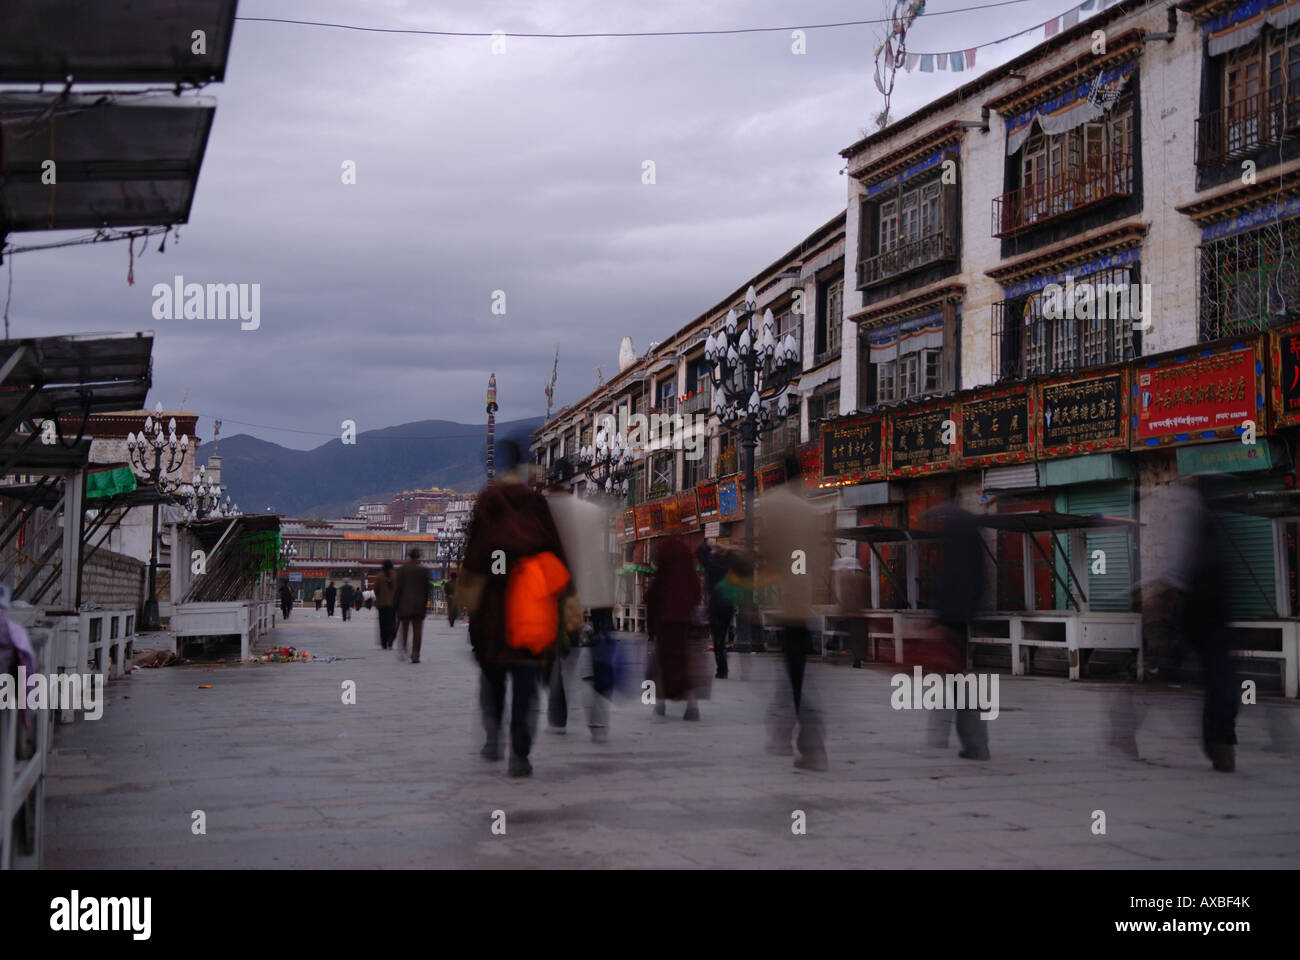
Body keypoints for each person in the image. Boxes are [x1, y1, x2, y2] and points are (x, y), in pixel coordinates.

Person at [455, 438, 570, 777]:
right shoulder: (536, 502)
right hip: (532, 609)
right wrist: (566, 598)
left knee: (492, 676)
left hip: (495, 610)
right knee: (525, 681)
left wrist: (490, 578)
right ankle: (520, 753)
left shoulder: (489, 501)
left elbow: (480, 553)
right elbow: (555, 553)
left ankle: (493, 737)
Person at [758, 454, 828, 770]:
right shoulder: (809, 509)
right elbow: (812, 559)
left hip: (788, 604)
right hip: (804, 605)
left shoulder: (775, 504)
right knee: (794, 674)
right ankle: (789, 739)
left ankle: (808, 745)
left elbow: (769, 552)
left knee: (795, 678)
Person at [547, 487, 617, 740]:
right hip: (597, 599)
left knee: (561, 661)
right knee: (596, 662)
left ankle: (558, 714)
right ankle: (597, 717)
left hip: (565, 599)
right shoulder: (592, 512)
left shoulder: (548, 517)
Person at [925, 501, 991, 761]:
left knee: (954, 679)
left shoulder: (956, 534)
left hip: (953, 616)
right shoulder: (971, 533)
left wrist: (940, 615)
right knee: (955, 678)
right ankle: (969, 741)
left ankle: (971, 742)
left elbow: (951, 578)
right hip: (963, 614)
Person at [646, 535, 705, 721]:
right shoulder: (689, 574)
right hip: (686, 627)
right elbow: (697, 594)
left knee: (661, 666)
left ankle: (659, 704)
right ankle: (692, 705)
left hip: (666, 627)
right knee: (685, 666)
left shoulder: (664, 574)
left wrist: (651, 630)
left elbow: (653, 599)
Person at [698, 543, 735, 680]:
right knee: (722, 637)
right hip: (728, 604)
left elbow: (700, 551)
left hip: (715, 605)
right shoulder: (728, 565)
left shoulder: (711, 564)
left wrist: (709, 545)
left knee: (717, 639)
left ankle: (721, 669)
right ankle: (723, 667)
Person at [393, 548, 430, 663]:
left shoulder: (401, 570)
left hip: (404, 604)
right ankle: (415, 654)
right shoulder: (424, 571)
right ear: (418, 557)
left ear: (409, 556)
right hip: (419, 605)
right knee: (418, 630)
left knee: (404, 628)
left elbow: (397, 589)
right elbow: (427, 590)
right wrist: (425, 604)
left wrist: (395, 604)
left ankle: (404, 649)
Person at [373, 560, 397, 649]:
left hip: (382, 605)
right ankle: (390, 639)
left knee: (383, 623)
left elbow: (375, 590)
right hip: (392, 605)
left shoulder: (380, 576)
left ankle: (384, 642)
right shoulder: (395, 576)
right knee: (392, 623)